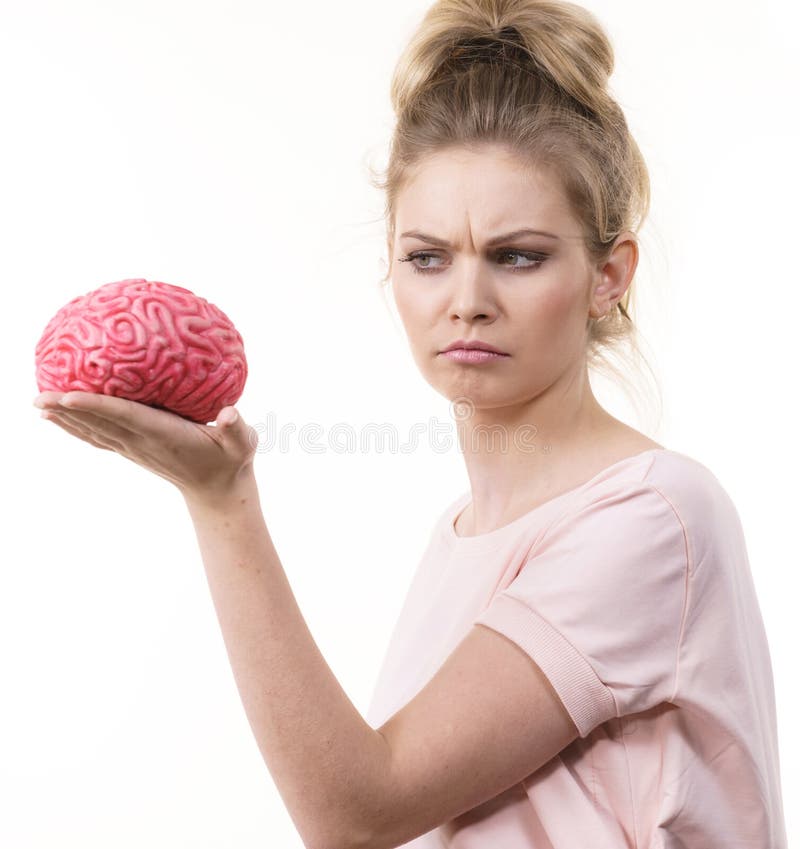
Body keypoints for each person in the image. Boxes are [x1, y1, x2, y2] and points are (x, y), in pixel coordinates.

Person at [32, 1, 788, 848]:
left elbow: (357, 810)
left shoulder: (653, 517)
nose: (466, 302)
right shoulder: (460, 536)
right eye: (428, 257)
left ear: (609, 274)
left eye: (518, 255)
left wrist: (221, 498)